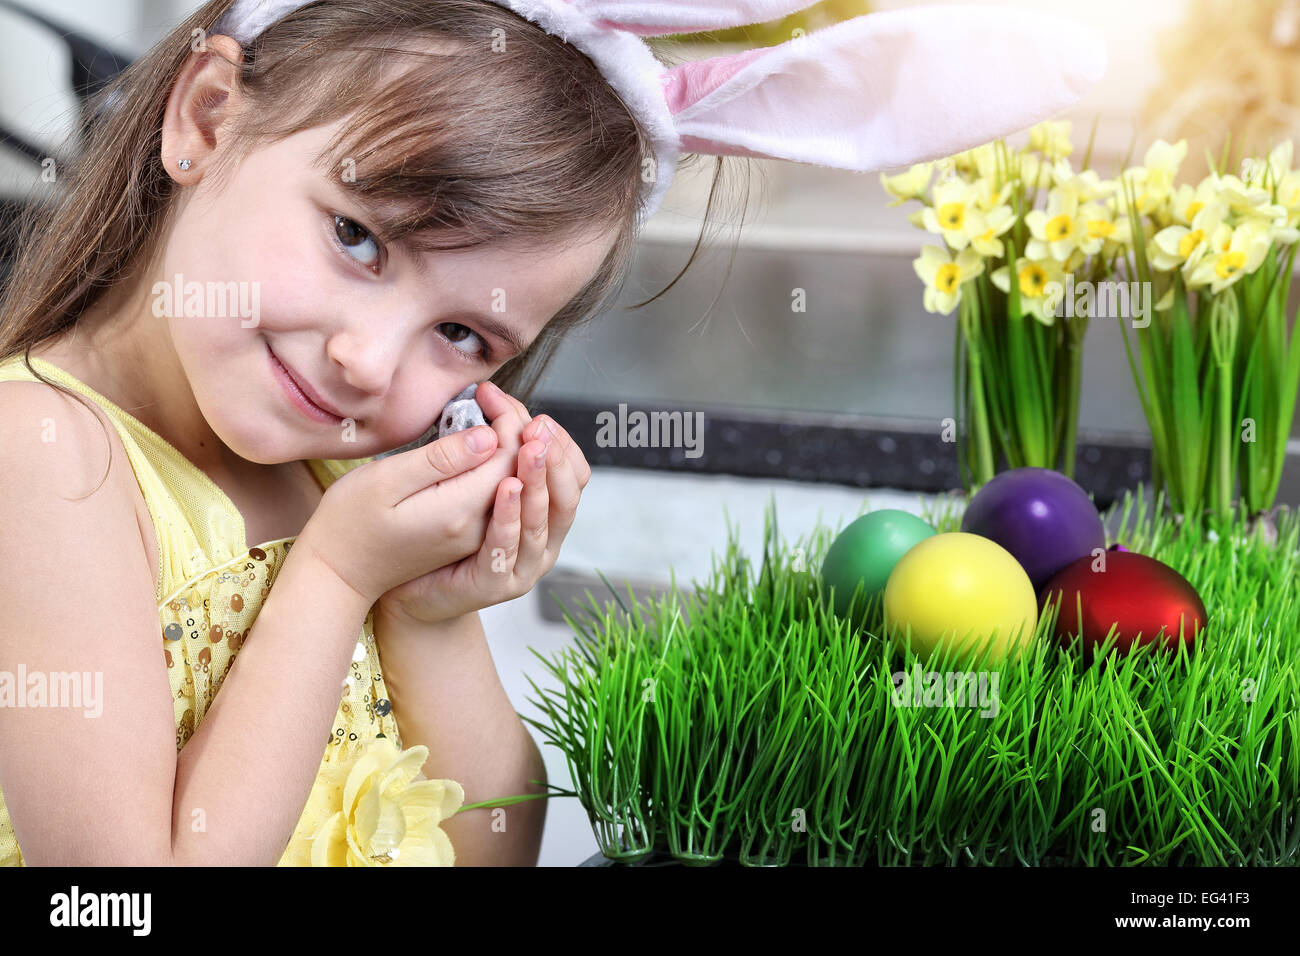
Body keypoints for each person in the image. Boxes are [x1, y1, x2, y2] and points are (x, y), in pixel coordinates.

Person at [0, 0, 1105, 866]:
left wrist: (427, 609)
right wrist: (335, 579)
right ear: (204, 118)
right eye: (357, 236)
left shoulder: (334, 471)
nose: (371, 362)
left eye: (465, 334)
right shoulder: (46, 453)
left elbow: (494, 845)